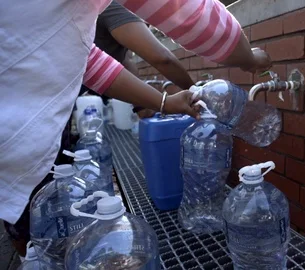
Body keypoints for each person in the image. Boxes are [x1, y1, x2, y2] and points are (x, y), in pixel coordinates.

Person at [0, 0, 271, 257]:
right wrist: (249, 58)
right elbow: (189, 14)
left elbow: (87, 61)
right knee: (41, 226)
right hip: (13, 138)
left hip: (17, 144)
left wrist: (163, 102)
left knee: (35, 225)